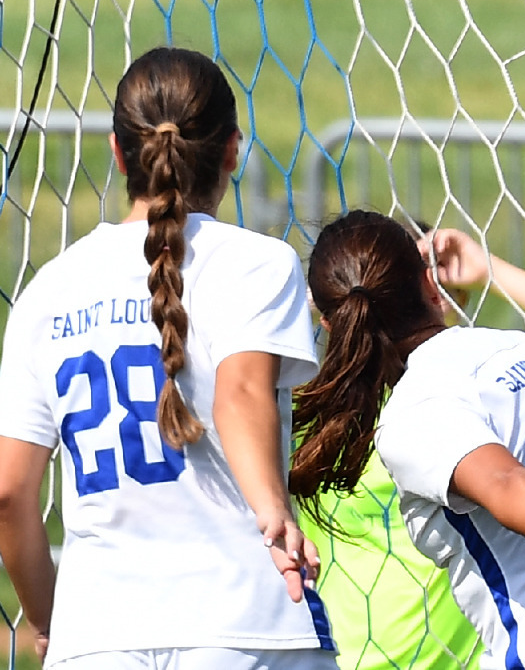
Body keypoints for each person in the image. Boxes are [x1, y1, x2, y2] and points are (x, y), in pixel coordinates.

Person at [0, 46, 336, 669]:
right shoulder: (258, 264)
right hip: (246, 624)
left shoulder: (47, 290)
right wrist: (271, 515)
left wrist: (54, 625)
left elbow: (9, 493)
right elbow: (240, 392)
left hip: (97, 638)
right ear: (233, 150)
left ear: (118, 151)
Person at [290, 211, 525, 670]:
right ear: (429, 288)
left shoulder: (412, 412)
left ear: (330, 322)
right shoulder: (516, 361)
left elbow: (505, 479)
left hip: (520, 654)